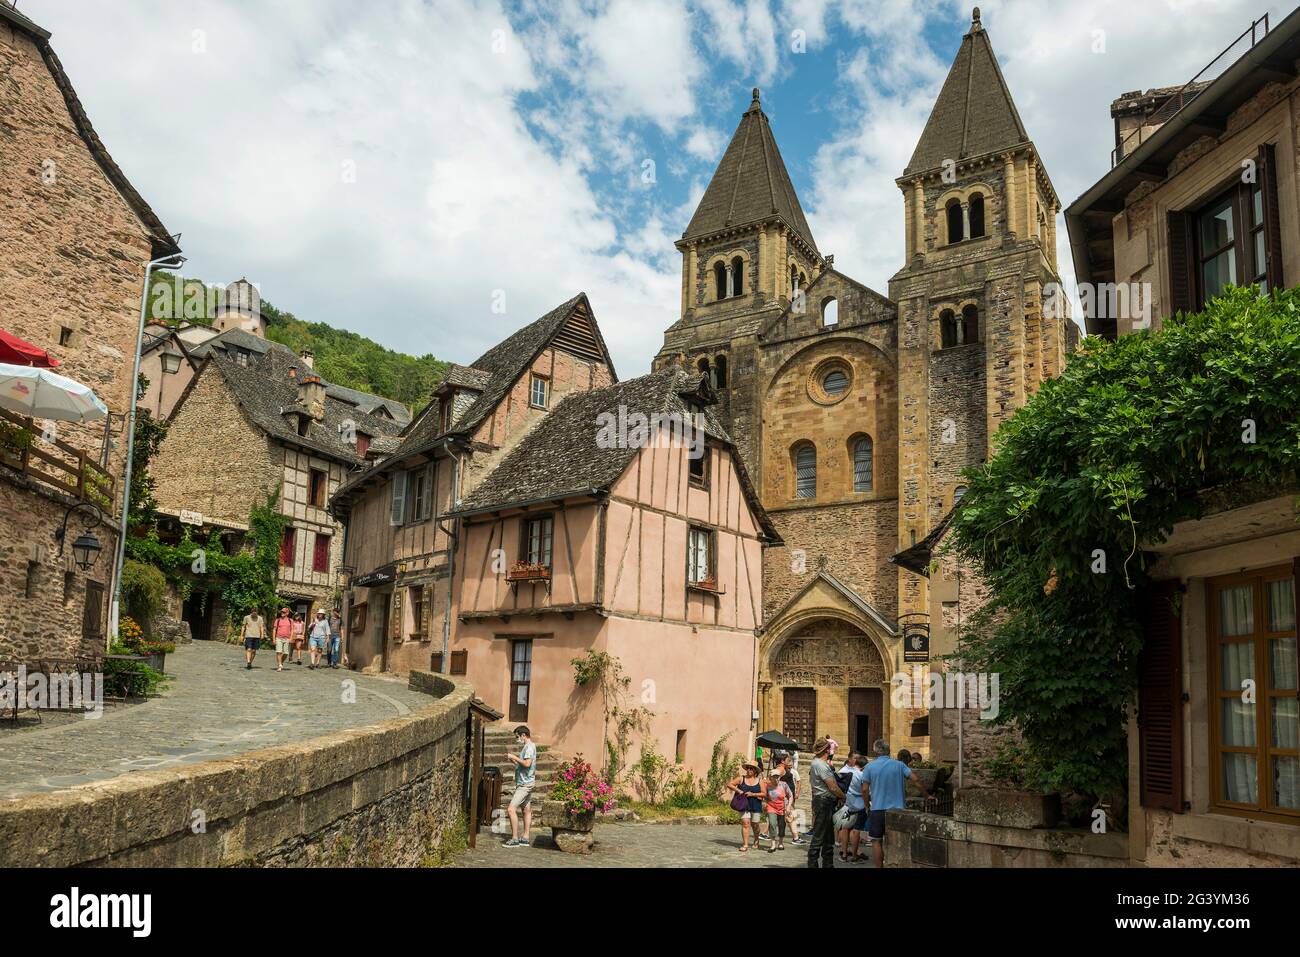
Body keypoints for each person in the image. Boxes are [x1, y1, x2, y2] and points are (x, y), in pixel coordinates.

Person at [861, 738, 928, 869]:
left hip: (878, 808)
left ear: (875, 751)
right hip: (898, 809)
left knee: (876, 841)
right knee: (900, 841)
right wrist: (926, 795)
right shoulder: (899, 765)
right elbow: (916, 780)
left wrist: (866, 805)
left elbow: (864, 789)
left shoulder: (869, 767)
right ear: (889, 750)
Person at [807, 737, 845, 868]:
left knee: (828, 836)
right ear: (827, 750)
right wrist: (843, 796)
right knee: (819, 835)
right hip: (823, 801)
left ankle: (828, 864)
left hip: (824, 801)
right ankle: (813, 864)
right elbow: (832, 786)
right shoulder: (821, 765)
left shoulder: (817, 763)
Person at [504, 725, 537, 847]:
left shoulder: (528, 747)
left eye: (518, 736)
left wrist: (514, 757)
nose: (517, 739)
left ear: (524, 735)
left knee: (511, 809)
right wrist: (514, 761)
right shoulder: (530, 746)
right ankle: (525, 837)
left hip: (524, 785)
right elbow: (522, 767)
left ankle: (514, 839)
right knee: (526, 810)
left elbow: (527, 764)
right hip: (528, 782)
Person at [726, 761, 765, 852]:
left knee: (755, 825)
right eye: (748, 768)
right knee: (745, 823)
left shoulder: (760, 780)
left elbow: (764, 793)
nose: (749, 770)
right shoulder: (741, 779)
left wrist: (753, 794)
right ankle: (745, 844)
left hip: (755, 804)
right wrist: (739, 790)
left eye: (751, 768)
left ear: (755, 771)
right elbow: (729, 784)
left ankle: (756, 839)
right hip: (744, 804)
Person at [838, 754, 870, 862]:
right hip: (860, 804)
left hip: (847, 803)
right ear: (864, 766)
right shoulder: (862, 775)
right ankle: (855, 855)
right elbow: (865, 790)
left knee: (845, 828)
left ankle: (844, 854)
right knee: (856, 831)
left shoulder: (846, 772)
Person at [776, 752, 804, 845]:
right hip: (785, 797)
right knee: (790, 817)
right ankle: (795, 838)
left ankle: (795, 837)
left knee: (791, 817)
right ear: (782, 761)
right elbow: (774, 780)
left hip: (788, 797)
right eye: (788, 760)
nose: (790, 761)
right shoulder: (780, 770)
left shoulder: (784, 769)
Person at [763, 768, 790, 852]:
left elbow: (790, 796)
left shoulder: (784, 785)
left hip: (782, 808)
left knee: (782, 825)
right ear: (770, 777)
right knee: (772, 824)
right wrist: (765, 804)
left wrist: (788, 806)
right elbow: (764, 796)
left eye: (778, 777)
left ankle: (780, 843)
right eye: (774, 777)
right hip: (771, 807)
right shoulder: (767, 786)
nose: (776, 779)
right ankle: (773, 845)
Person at [272, 607, 293, 672]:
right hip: (279, 638)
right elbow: (274, 629)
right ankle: (279, 665)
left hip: (287, 638)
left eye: (284, 612)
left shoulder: (290, 620)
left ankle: (281, 662)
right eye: (282, 612)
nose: (282, 613)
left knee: (286, 653)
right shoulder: (278, 620)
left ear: (287, 613)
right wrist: (273, 639)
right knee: (279, 652)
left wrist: (291, 638)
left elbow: (292, 629)